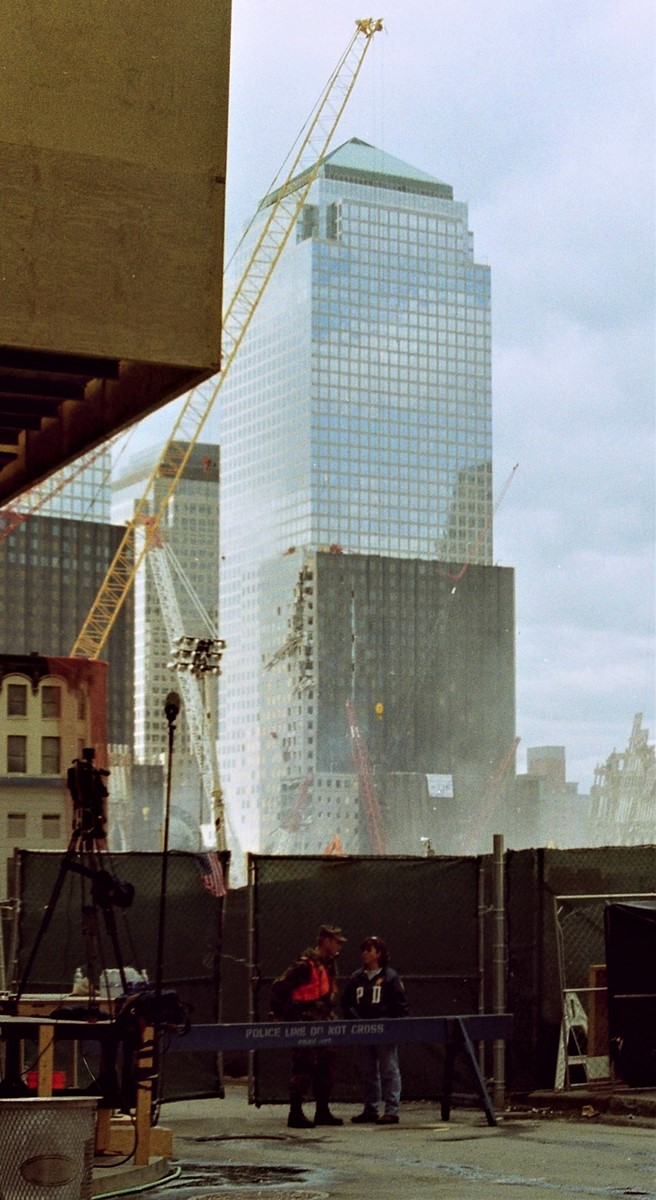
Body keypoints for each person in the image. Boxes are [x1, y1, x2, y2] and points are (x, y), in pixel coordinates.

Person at [270, 923, 347, 1129]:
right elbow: (280, 987)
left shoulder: (328, 965)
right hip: (305, 1021)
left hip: (323, 1021)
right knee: (304, 1065)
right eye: (336, 941)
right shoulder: (305, 965)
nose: (339, 946)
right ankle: (295, 1112)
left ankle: (322, 1110)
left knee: (326, 1066)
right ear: (326, 941)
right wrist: (280, 1015)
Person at [342, 935, 409, 1125]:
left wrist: (395, 1026)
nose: (364, 953)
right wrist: (355, 1020)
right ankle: (370, 1109)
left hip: (384, 1030)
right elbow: (346, 1004)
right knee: (368, 1070)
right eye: (363, 950)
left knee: (389, 1068)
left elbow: (401, 1005)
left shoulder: (390, 977)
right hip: (363, 1029)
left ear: (378, 953)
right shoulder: (357, 977)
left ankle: (392, 1110)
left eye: (368, 950)